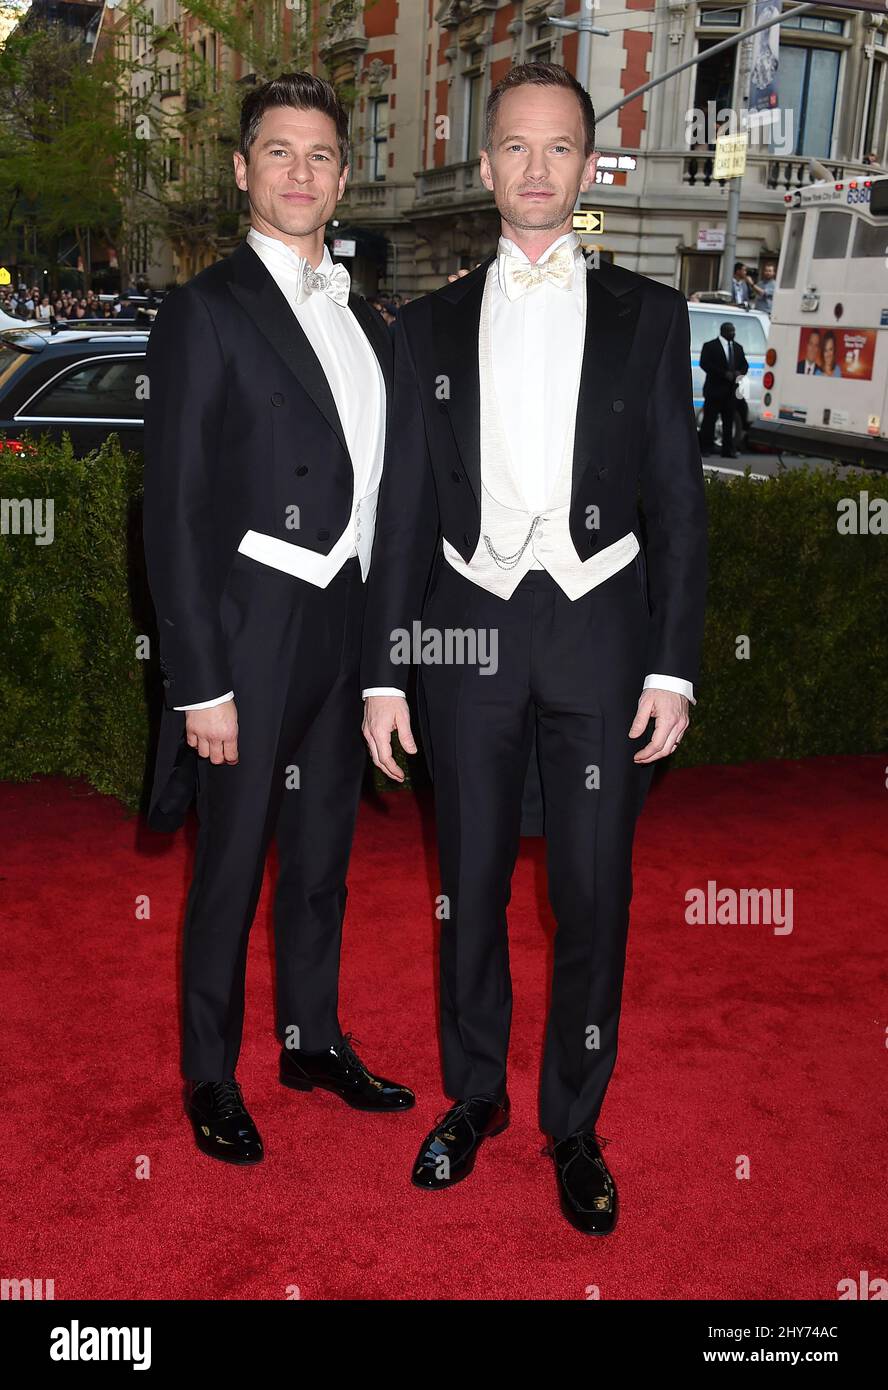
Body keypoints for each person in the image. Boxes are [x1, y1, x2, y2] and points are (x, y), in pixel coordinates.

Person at [361, 62, 707, 1234]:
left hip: (603, 626)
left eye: (561, 147)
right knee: (466, 884)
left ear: (590, 166)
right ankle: (472, 1098)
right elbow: (401, 508)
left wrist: (673, 663)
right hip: (465, 628)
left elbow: (680, 503)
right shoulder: (429, 323)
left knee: (591, 892)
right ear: (488, 158)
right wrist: (380, 671)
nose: (537, 168)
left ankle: (576, 1121)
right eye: (516, 146)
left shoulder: (651, 317)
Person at [143, 71, 414, 1168]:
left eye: (320, 156)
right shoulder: (203, 311)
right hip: (250, 631)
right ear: (244, 170)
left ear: (343, 178)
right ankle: (211, 1073)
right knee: (232, 863)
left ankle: (308, 1039)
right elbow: (171, 513)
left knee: (319, 855)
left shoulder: (370, 320)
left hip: (344, 626)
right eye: (279, 152)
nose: (301, 173)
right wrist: (199, 681)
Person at [699, 321, 748, 459]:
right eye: (730, 331)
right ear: (722, 331)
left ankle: (728, 450)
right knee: (709, 421)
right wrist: (722, 373)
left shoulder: (738, 348)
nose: (733, 333)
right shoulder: (710, 346)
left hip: (731, 391)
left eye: (734, 331)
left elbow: (745, 364)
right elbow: (705, 364)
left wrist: (740, 373)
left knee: (729, 421)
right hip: (714, 390)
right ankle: (705, 448)